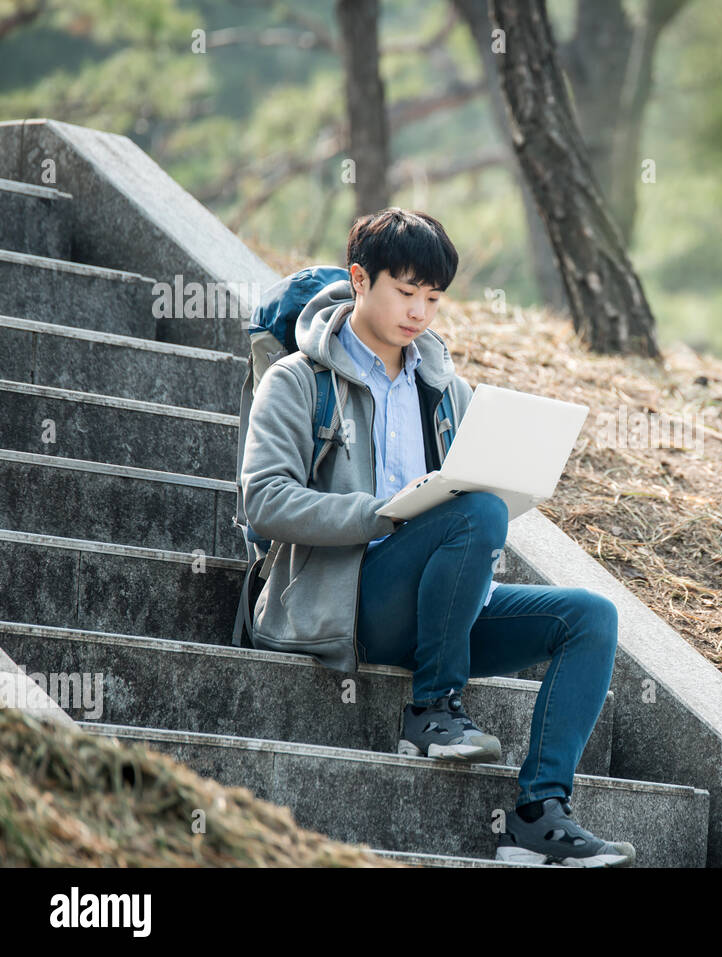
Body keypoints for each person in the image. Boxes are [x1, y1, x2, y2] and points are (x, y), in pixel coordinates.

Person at [238, 207, 635, 867]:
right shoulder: (300, 382)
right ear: (361, 279)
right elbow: (266, 500)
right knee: (474, 511)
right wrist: (383, 513)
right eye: (405, 291)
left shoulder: (447, 391)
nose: (419, 311)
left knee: (590, 617)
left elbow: (477, 504)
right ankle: (431, 711)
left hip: (440, 604)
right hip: (346, 599)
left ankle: (539, 814)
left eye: (433, 297)